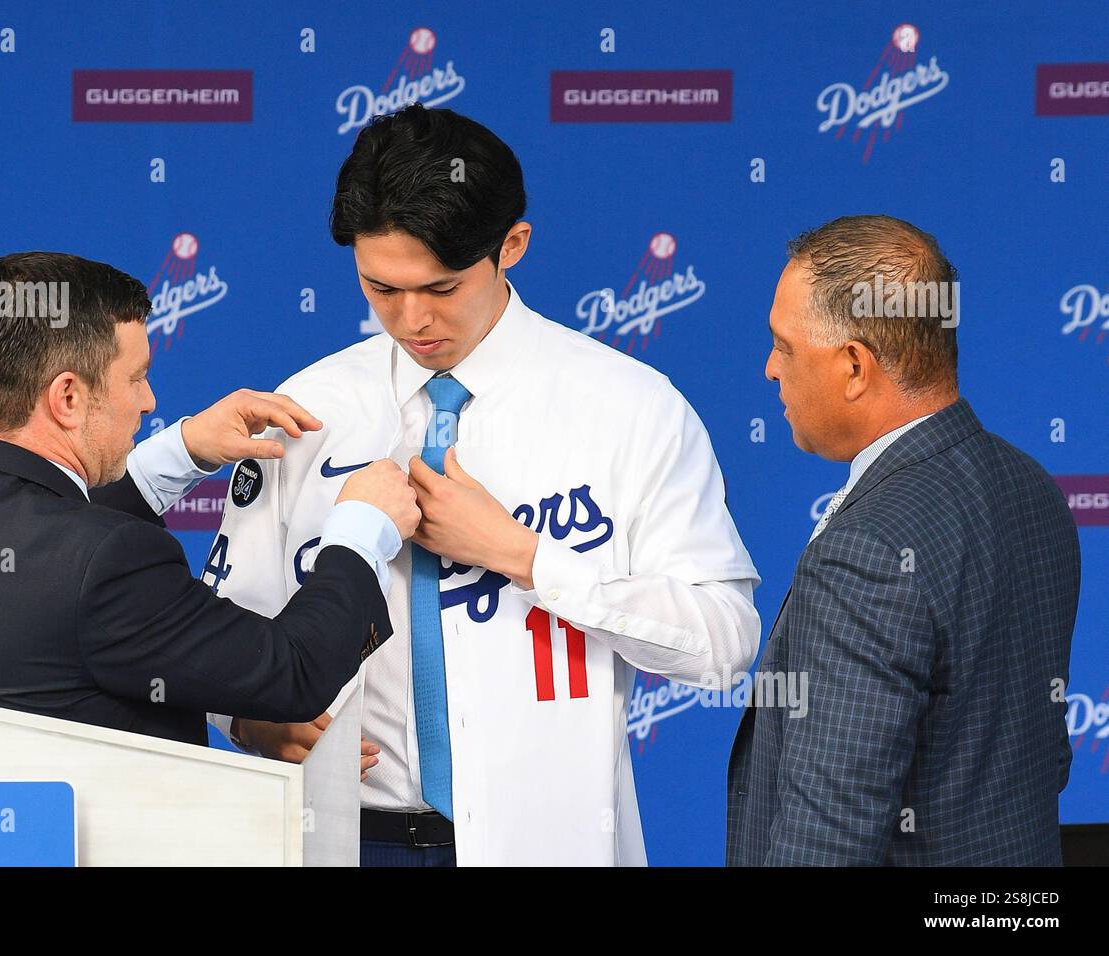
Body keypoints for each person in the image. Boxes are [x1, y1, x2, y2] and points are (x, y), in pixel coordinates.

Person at [204, 105, 760, 866]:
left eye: (440, 287)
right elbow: (218, 630)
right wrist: (250, 719)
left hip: (549, 845)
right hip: (343, 840)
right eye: (380, 288)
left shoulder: (631, 407)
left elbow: (723, 644)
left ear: (513, 245)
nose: (410, 319)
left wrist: (525, 555)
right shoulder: (306, 410)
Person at [0, 251, 420, 746]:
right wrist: (359, 530)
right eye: (135, 378)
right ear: (67, 397)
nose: (148, 400)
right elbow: (294, 672)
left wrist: (183, 451)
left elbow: (47, 563)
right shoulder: (113, 560)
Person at [727, 215, 1080, 866]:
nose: (770, 369)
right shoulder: (1033, 490)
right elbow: (1038, 757)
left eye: (785, 346)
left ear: (855, 367)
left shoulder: (866, 552)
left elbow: (824, 842)